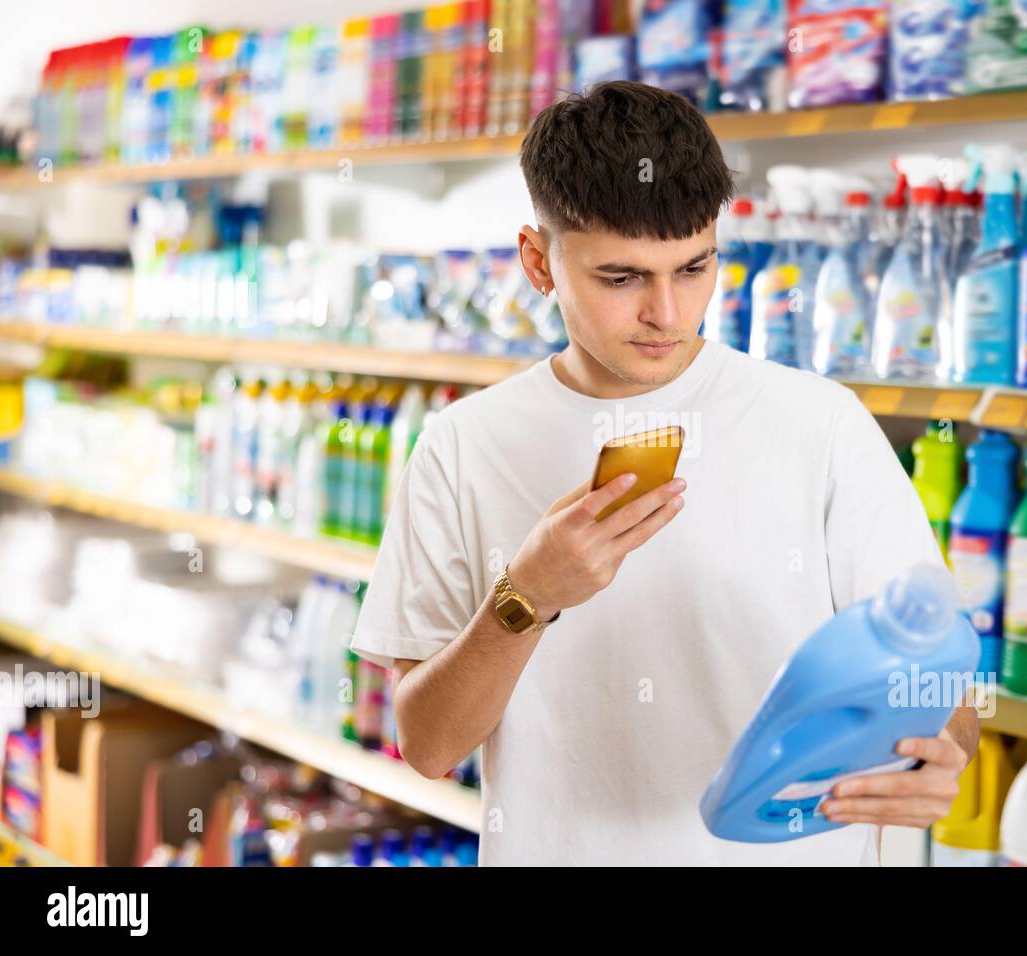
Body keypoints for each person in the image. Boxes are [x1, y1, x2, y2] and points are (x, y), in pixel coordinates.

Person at [351, 80, 978, 865]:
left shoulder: (821, 424)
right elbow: (430, 744)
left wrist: (935, 758)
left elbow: (934, 675)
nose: (669, 314)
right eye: (622, 279)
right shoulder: (461, 444)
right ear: (538, 261)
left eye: (694, 268)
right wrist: (527, 596)